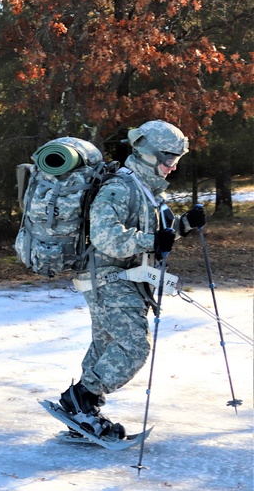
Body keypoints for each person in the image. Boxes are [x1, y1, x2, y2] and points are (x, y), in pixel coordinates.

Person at [56, 120, 206, 440]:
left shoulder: (144, 190)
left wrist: (184, 225)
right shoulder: (119, 187)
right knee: (134, 346)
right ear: (149, 154)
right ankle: (80, 399)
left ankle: (83, 410)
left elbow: (156, 238)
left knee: (107, 344)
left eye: (177, 160)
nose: (172, 167)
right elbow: (107, 237)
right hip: (110, 278)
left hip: (114, 277)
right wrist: (152, 241)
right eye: (168, 159)